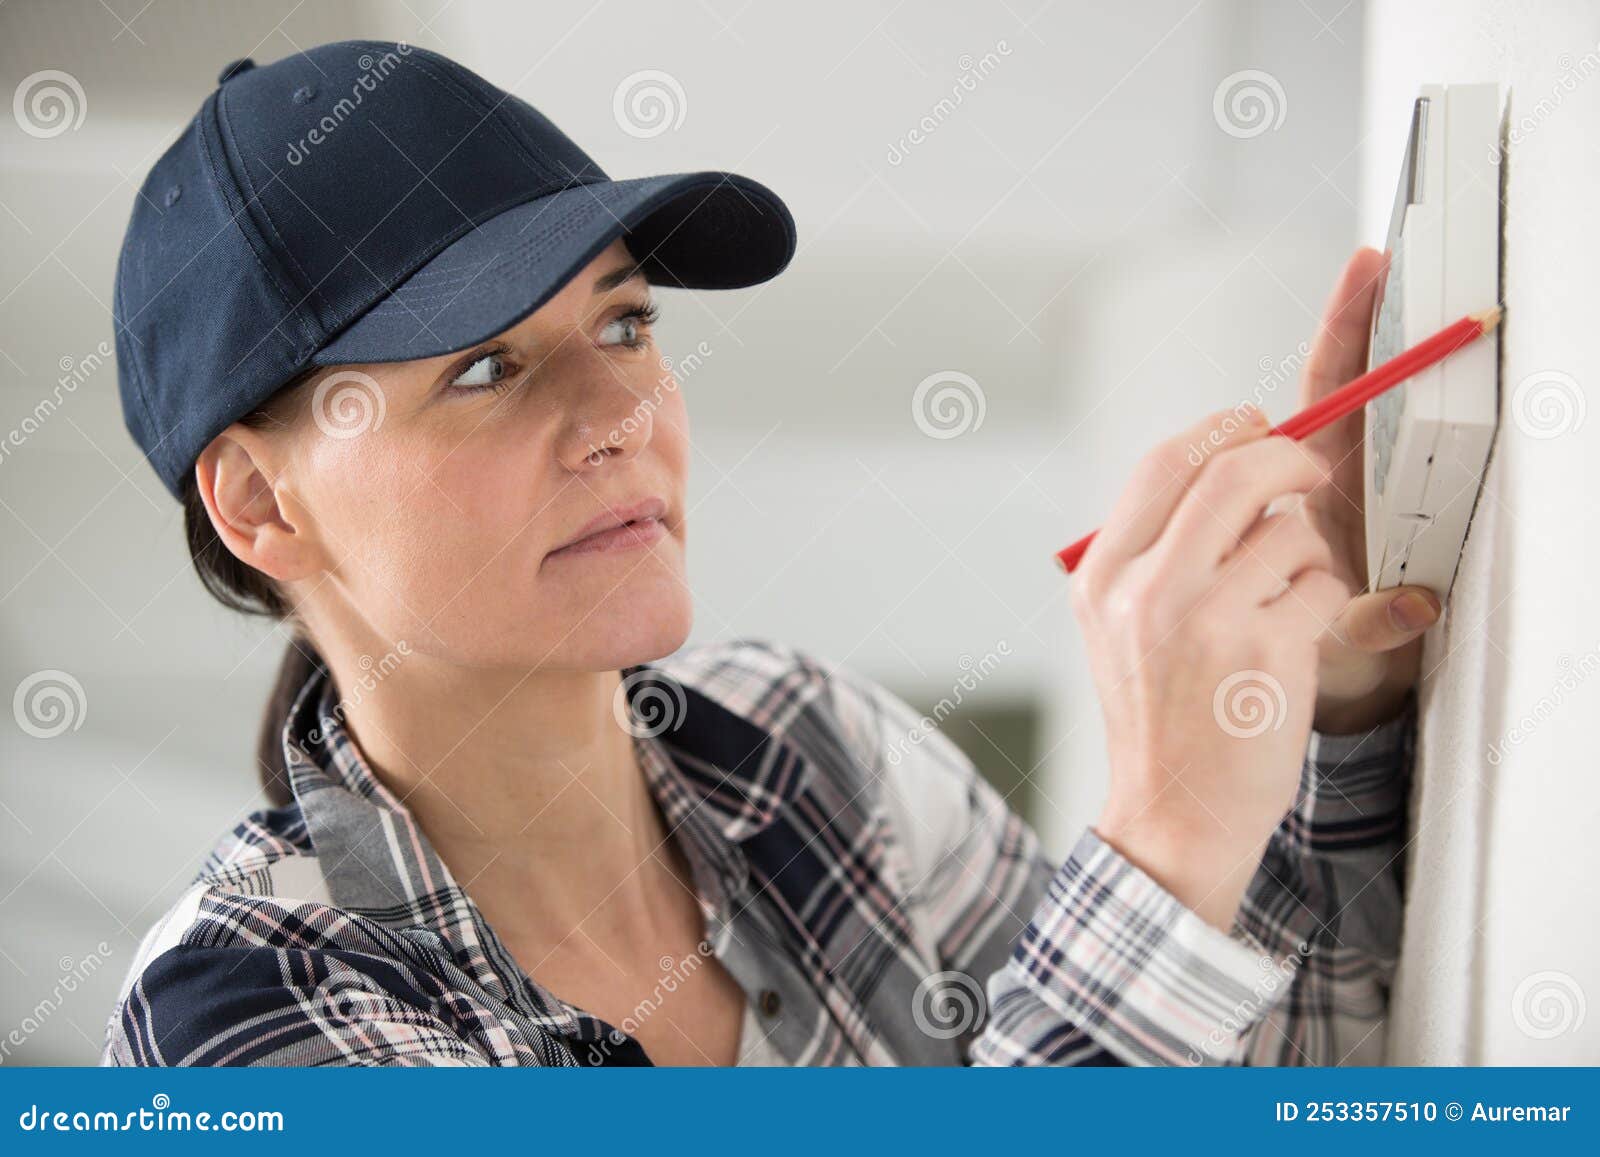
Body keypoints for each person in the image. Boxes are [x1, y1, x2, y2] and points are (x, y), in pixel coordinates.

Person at [100, 41, 1433, 1067]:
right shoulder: (241, 1005)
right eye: (489, 366)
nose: (622, 416)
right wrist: (1161, 844)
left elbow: (1279, 1071)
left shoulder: (814, 743)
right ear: (263, 505)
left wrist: (1323, 696)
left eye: (623, 323)